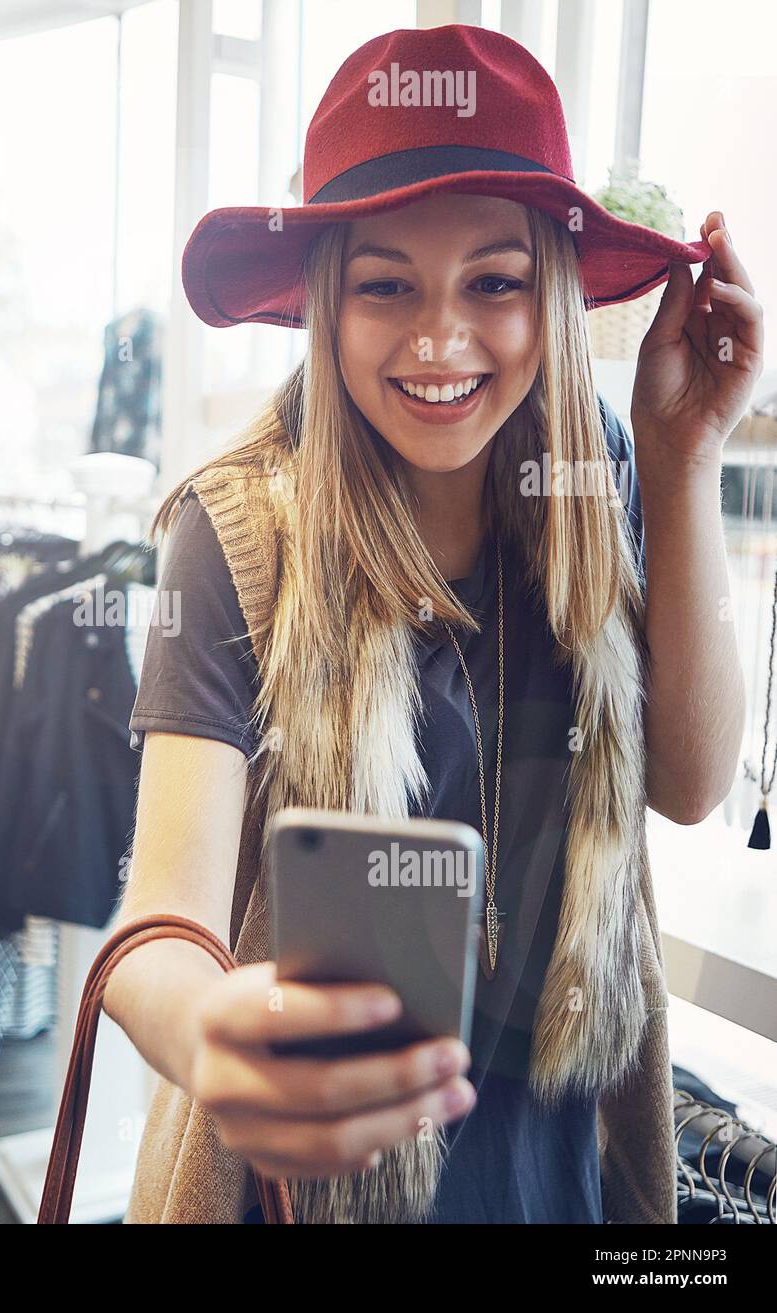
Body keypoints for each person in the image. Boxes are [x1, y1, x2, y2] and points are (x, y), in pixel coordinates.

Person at [102, 23, 761, 1224]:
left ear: (552, 291)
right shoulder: (242, 527)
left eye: (494, 282)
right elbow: (158, 927)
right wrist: (213, 1033)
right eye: (385, 284)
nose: (440, 338)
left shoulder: (600, 478)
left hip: (562, 1165)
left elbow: (688, 778)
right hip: (307, 1178)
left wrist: (682, 458)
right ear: (323, 299)